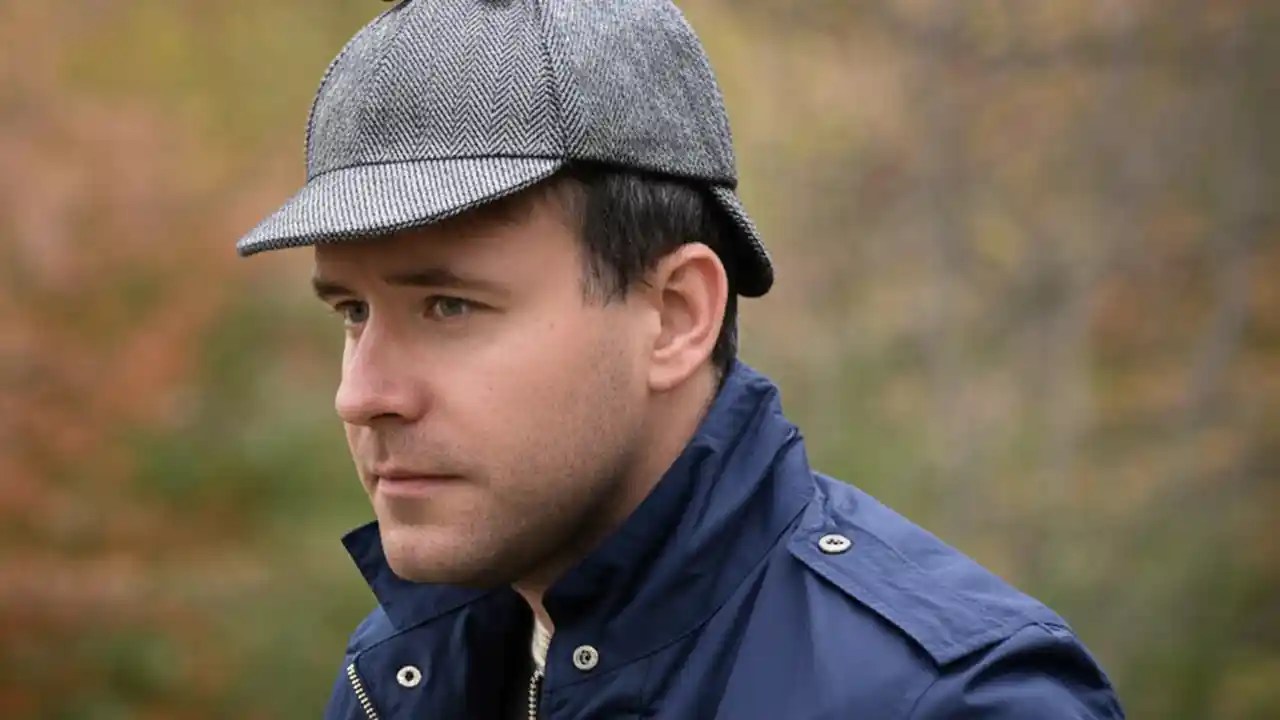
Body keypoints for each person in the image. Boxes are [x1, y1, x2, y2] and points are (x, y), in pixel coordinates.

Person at [236, 1, 1125, 718]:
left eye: (450, 306)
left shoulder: (948, 701)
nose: (363, 395)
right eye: (353, 312)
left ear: (674, 316)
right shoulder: (399, 675)